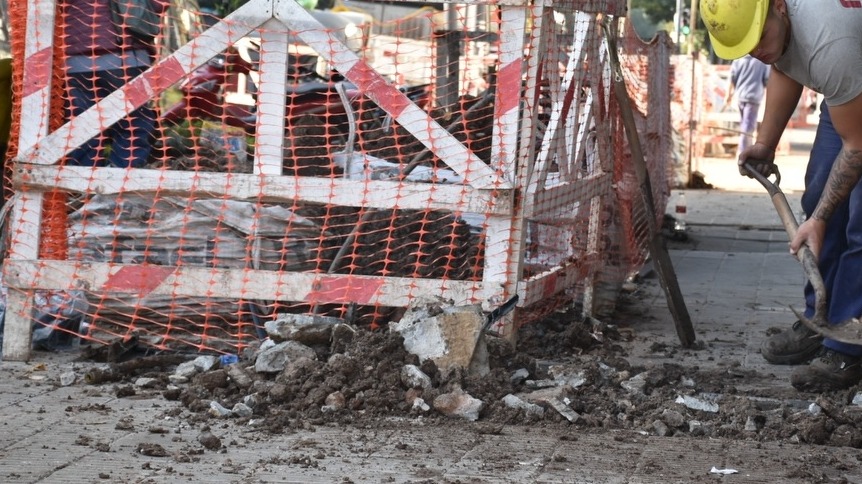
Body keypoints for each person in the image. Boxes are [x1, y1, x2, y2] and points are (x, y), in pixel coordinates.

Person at [700, 0, 862, 392]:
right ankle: (818, 321)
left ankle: (848, 347)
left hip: (852, 85)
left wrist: (819, 221)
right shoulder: (780, 27)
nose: (756, 50)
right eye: (747, 46)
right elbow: (786, 63)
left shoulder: (829, 41)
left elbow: (856, 146)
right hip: (850, 88)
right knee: (820, 194)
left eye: (758, 39)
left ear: (779, 8)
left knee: (859, 222)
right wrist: (765, 143)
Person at [60, 0, 167, 168]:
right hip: (126, 55)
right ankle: (119, 179)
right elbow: (159, 5)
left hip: (75, 60)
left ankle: (82, 184)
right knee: (133, 123)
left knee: (82, 127)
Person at [723, 55, 769, 157]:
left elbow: (732, 78)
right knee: (747, 127)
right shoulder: (761, 61)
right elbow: (767, 80)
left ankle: (743, 150)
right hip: (753, 97)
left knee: (745, 124)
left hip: (740, 97)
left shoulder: (738, 59)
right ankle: (744, 153)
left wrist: (728, 95)